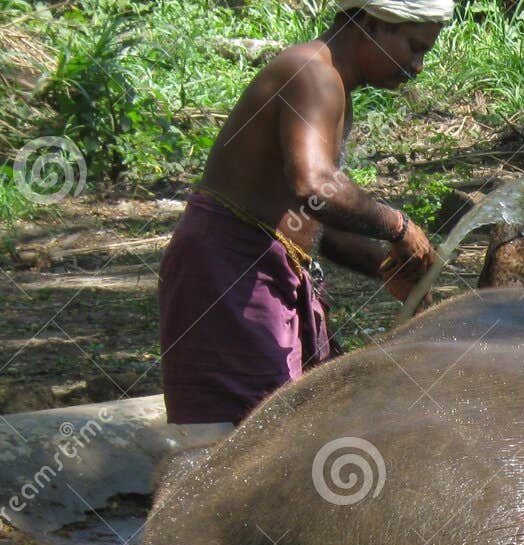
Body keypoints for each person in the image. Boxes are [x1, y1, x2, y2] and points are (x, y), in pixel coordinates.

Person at [156, 0, 451, 435]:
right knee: (238, 447)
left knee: (280, 438)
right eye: (412, 47)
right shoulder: (311, 73)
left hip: (259, 269)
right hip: (226, 276)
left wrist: (384, 264)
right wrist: (399, 226)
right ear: (370, 23)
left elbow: (311, 220)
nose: (417, 65)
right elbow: (314, 184)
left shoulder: (331, 84)